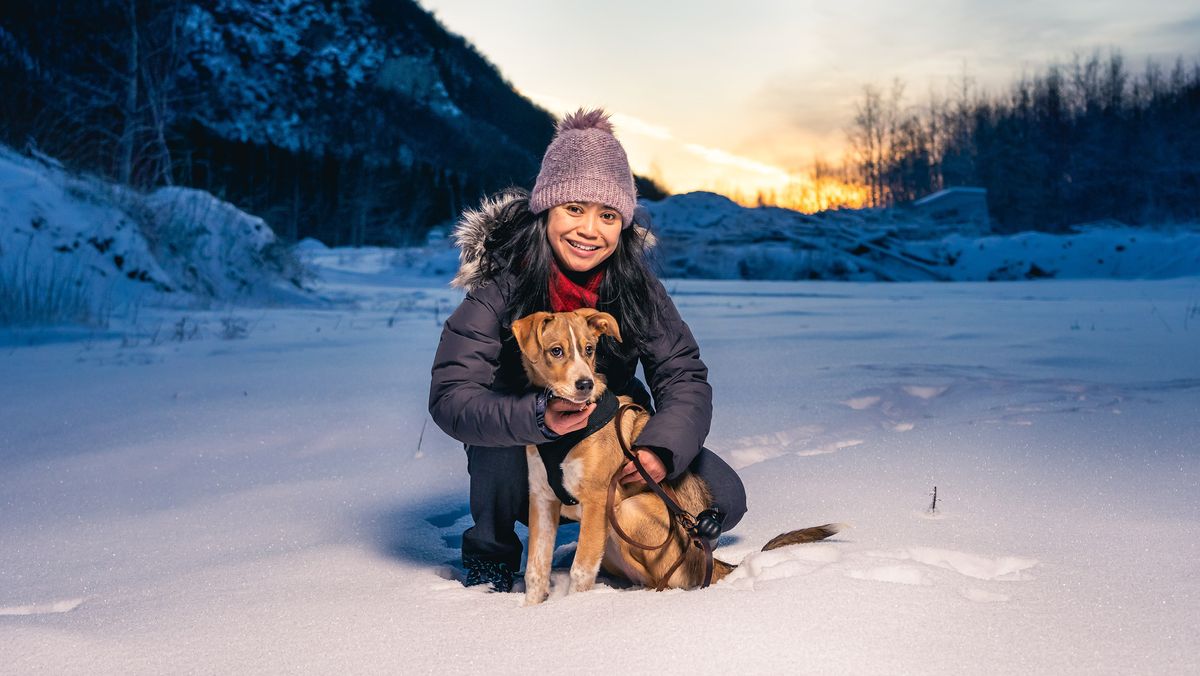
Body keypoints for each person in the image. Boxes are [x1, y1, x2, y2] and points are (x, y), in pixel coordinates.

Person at [428, 108, 747, 592]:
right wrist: (536, 414)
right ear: (546, 209)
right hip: (527, 439)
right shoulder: (501, 285)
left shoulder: (637, 287)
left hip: (604, 436)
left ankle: (631, 536)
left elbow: (682, 374)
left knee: (724, 493)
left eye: (608, 215)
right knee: (496, 451)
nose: (590, 230)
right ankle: (492, 553)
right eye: (574, 208)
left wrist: (659, 448)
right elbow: (452, 395)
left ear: (623, 225)